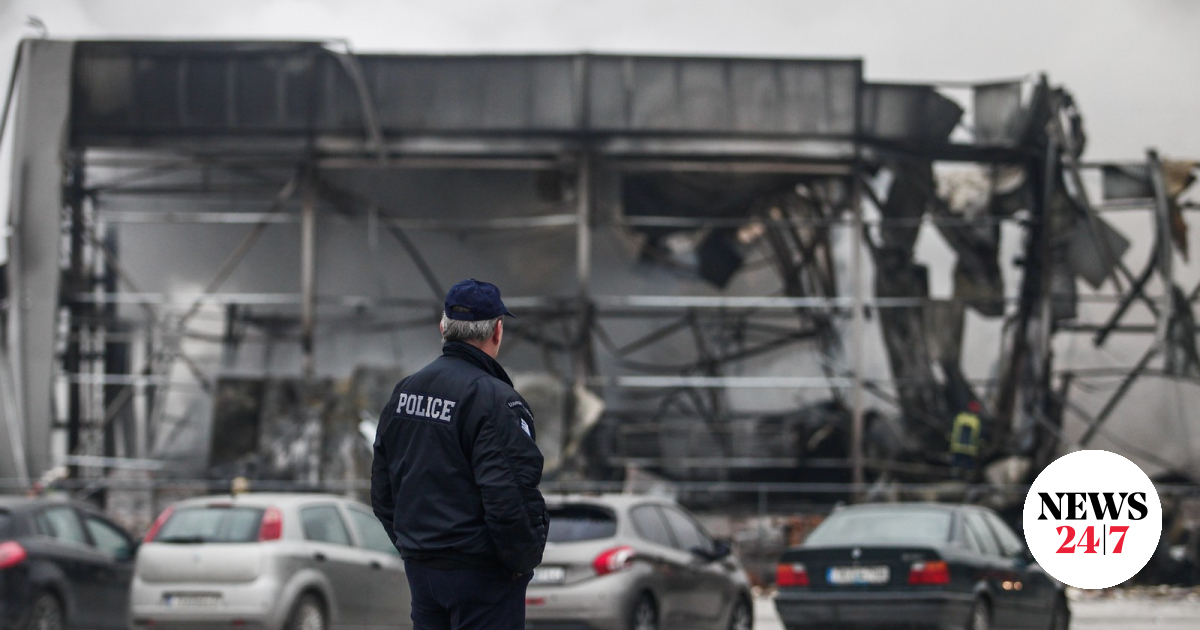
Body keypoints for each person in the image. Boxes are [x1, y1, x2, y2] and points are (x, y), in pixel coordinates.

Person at [371, 278, 548, 630]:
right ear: (498, 331)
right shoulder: (496, 400)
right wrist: (519, 563)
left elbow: (382, 488)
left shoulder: (405, 392)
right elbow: (508, 496)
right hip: (480, 575)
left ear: (443, 327)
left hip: (422, 572)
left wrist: (417, 547)